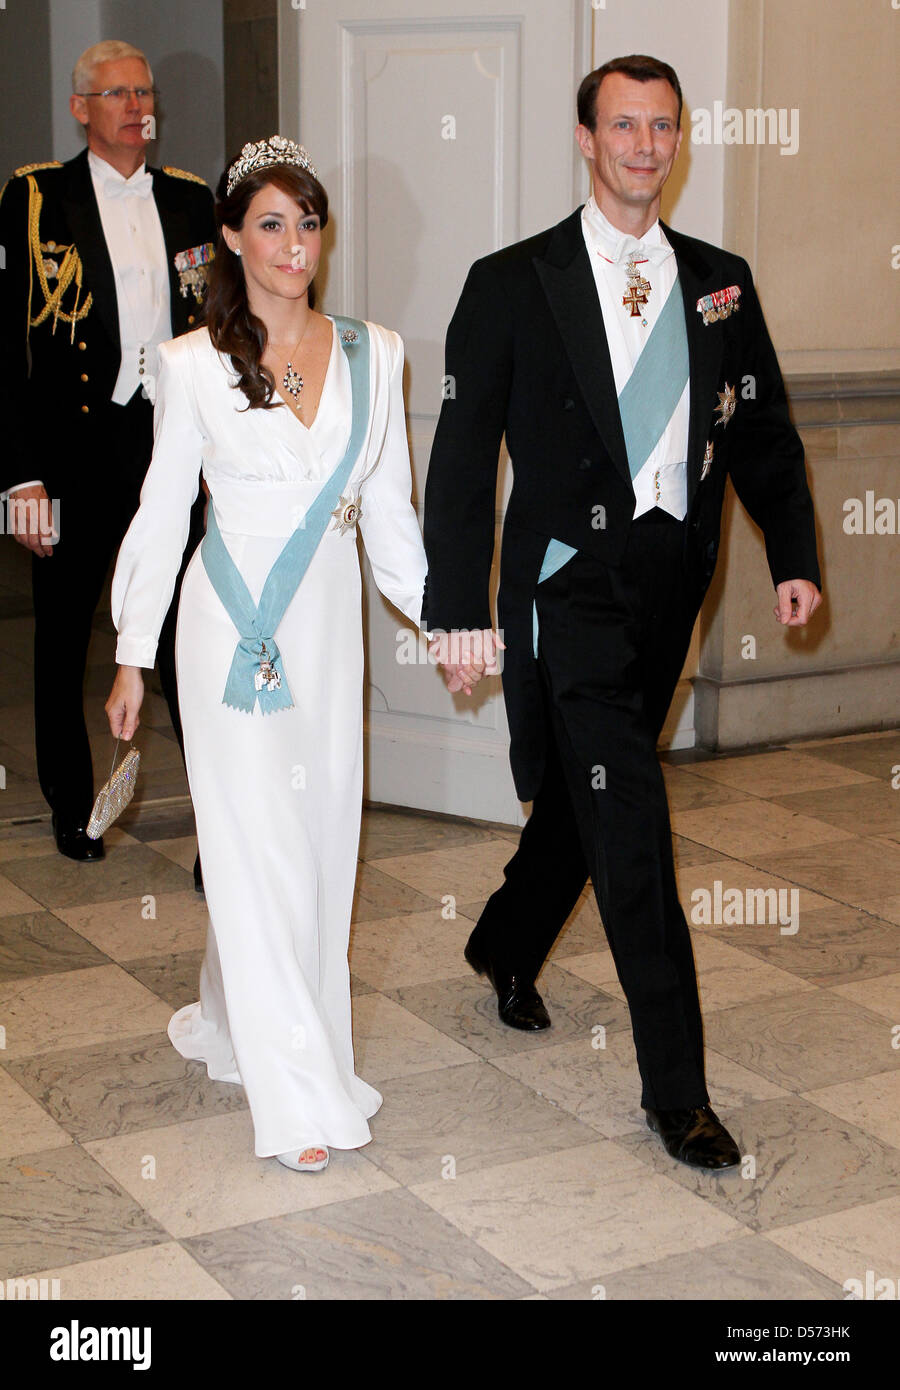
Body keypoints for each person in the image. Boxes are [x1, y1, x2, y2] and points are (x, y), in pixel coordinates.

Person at [424, 56, 822, 1171]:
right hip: (570, 587)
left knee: (594, 793)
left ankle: (504, 943)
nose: (645, 145)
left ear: (678, 140)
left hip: (669, 585)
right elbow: (461, 462)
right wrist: (455, 607)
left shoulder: (721, 280)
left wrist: (791, 553)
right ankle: (678, 1091)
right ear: (585, 140)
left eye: (663, 126)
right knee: (636, 826)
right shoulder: (511, 281)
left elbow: (764, 433)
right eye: (623, 126)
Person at [105, 137, 428, 1172]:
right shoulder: (190, 364)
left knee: (320, 846)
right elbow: (161, 513)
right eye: (274, 224)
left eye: (310, 222)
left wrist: (445, 624)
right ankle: (298, 1099)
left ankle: (241, 1018)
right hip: (226, 628)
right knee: (254, 849)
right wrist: (129, 652)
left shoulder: (379, 352)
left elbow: (392, 513)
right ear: (234, 238)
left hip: (328, 630)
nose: (296, 245)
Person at [0, 39, 213, 865]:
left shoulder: (195, 202)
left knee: (186, 640)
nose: (136, 106)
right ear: (80, 108)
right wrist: (20, 476)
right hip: (70, 451)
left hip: (169, 448)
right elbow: (4, 350)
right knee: (63, 635)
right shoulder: (32, 199)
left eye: (145, 92)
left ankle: (218, 823)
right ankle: (70, 806)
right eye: (116, 93)